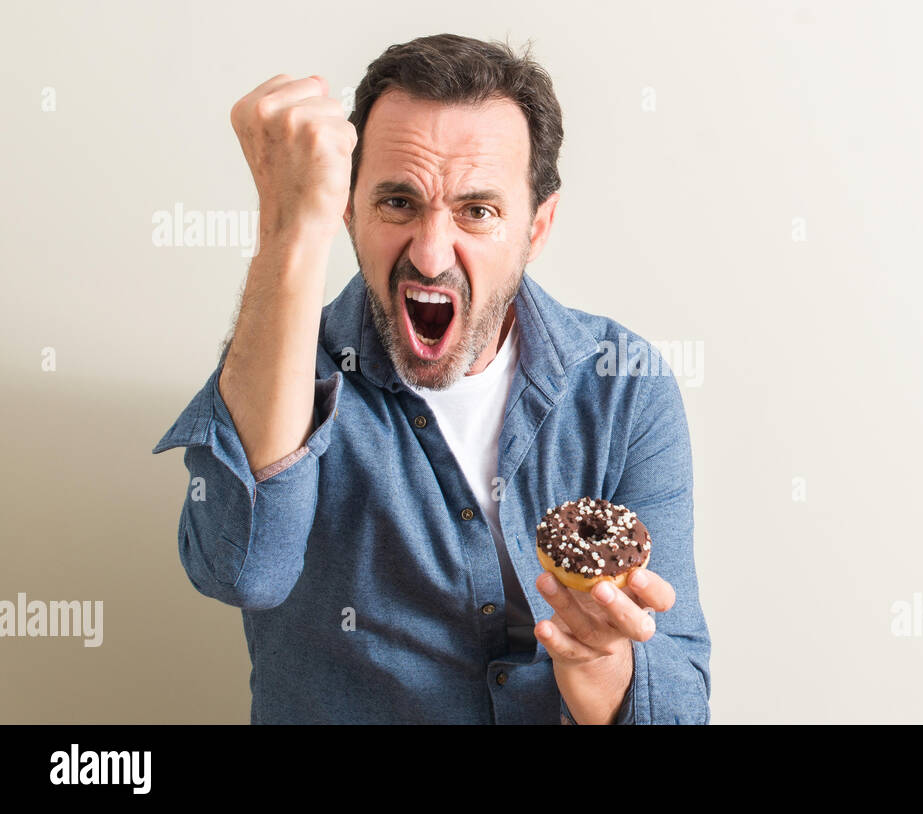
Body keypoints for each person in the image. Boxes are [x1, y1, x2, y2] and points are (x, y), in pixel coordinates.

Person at [151, 34, 710, 724]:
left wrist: (601, 664)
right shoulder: (289, 368)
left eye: (477, 210)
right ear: (348, 209)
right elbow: (240, 571)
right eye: (397, 203)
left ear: (537, 226)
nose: (430, 251)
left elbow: (679, 710)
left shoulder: (622, 387)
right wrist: (289, 229)